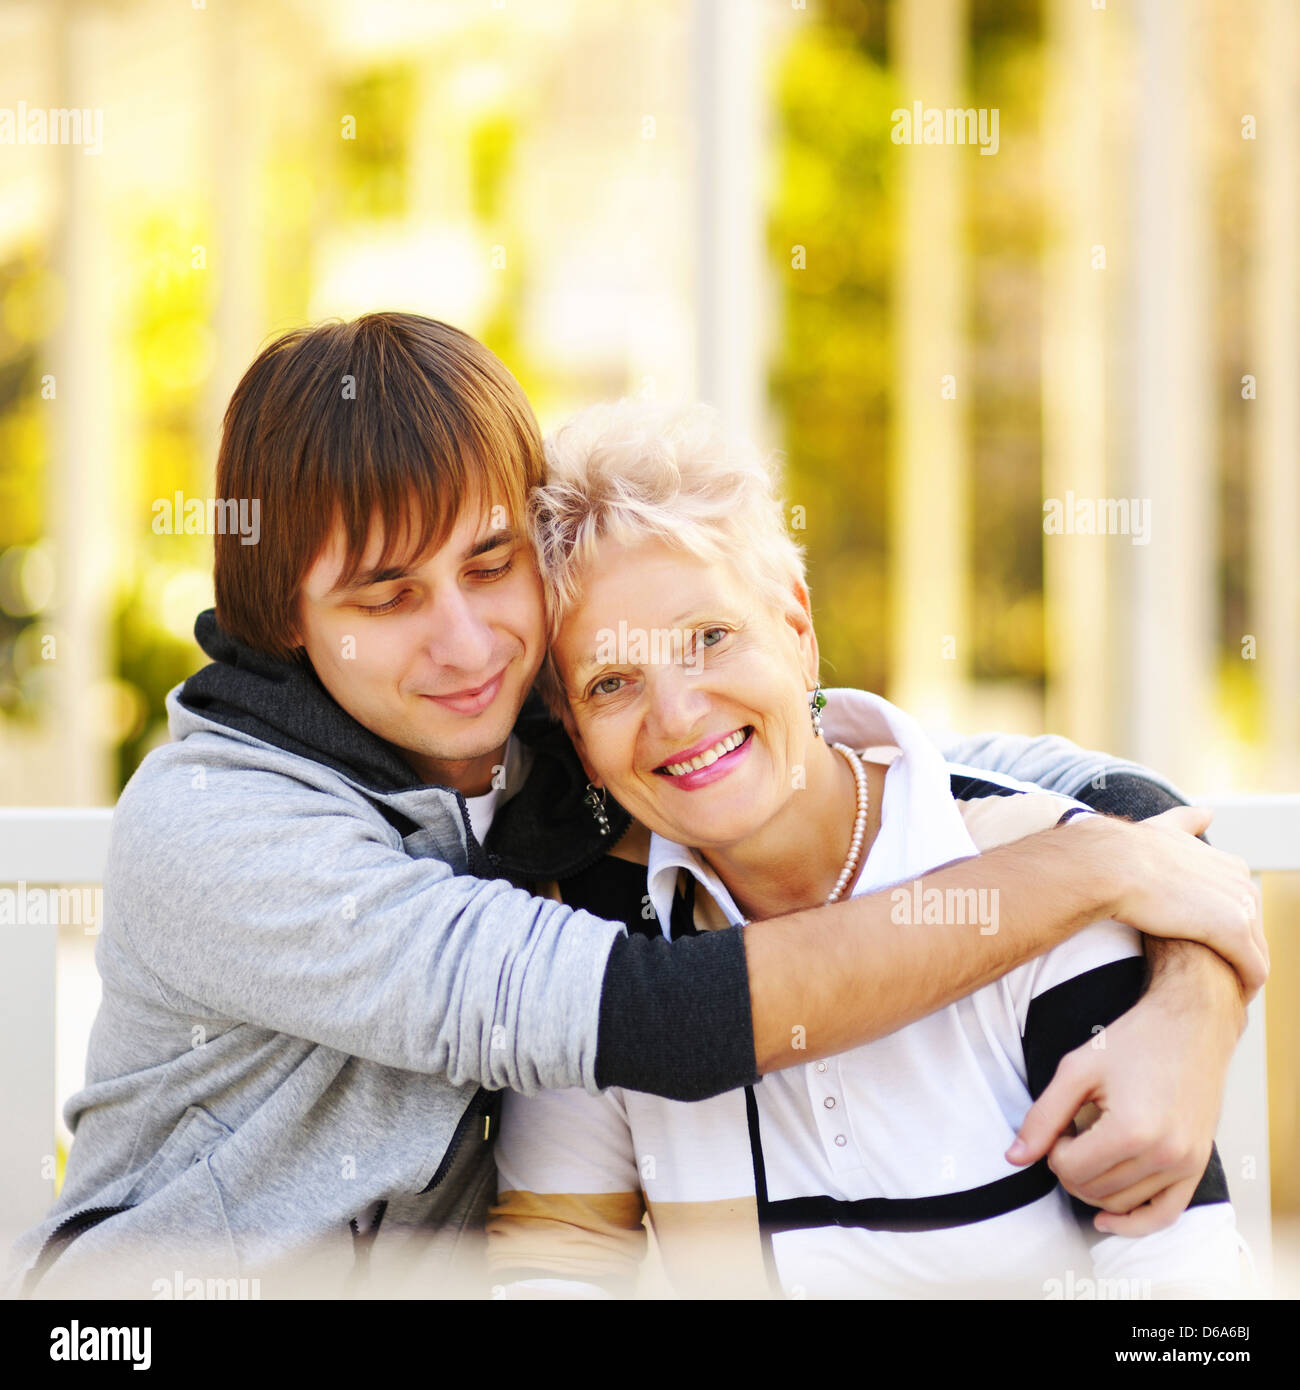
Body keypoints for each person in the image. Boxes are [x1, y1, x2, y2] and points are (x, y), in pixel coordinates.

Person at [7, 315, 1263, 1300]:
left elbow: (1025, 782)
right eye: (387, 595)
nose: (463, 642)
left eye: (491, 564)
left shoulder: (560, 730)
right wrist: (1086, 875)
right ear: (288, 617)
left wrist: (1190, 1003)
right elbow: (657, 1019)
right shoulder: (223, 831)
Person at [487, 401, 1252, 1299]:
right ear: (577, 736)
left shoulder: (1047, 875)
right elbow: (558, 1263)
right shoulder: (599, 931)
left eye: (711, 638)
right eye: (612, 683)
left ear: (798, 634)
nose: (679, 715)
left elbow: (1189, 1304)